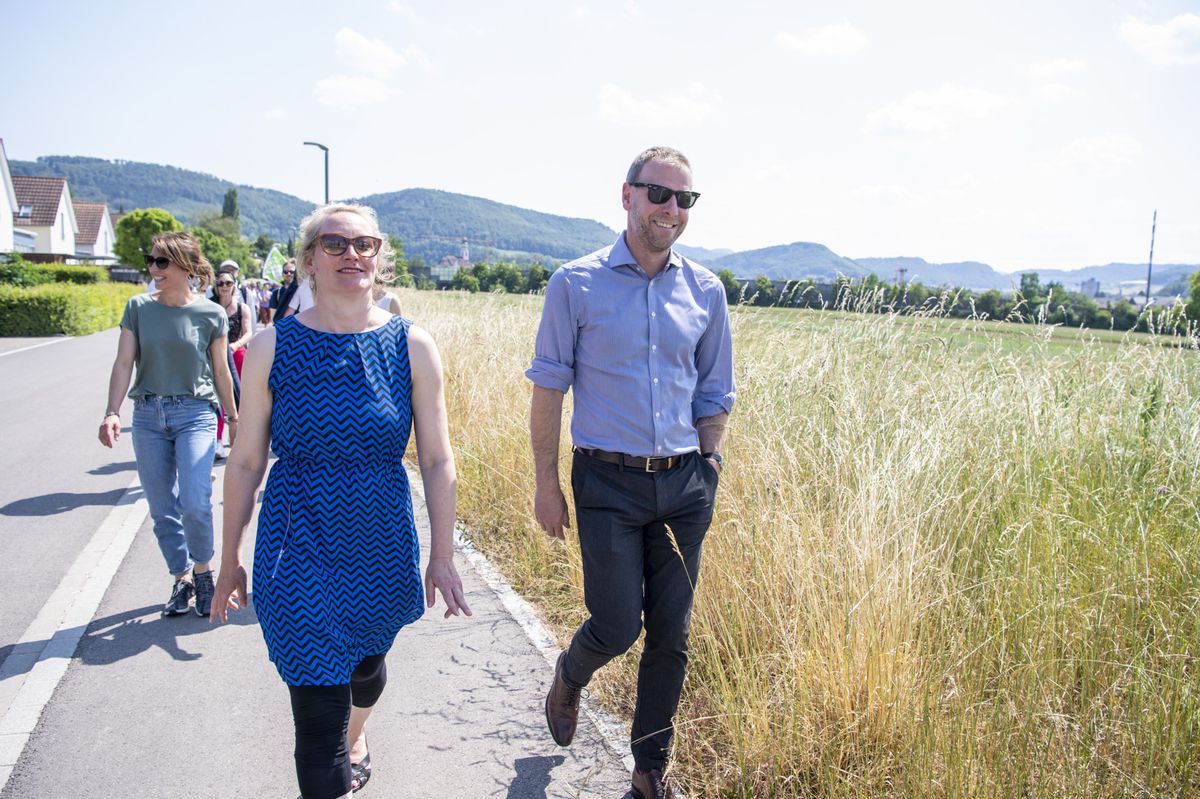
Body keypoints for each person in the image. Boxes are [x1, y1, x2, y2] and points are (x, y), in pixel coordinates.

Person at [211, 202, 471, 799]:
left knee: (365, 671)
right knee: (317, 718)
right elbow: (247, 461)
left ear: (379, 257)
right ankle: (338, 748)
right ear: (308, 260)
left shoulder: (413, 345)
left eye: (365, 244)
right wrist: (230, 558)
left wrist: (442, 554)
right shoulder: (275, 347)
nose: (352, 255)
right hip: (295, 541)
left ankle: (359, 732)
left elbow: (435, 458)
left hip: (381, 539)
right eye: (335, 244)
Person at [526, 146, 735, 799]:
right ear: (627, 196)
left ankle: (649, 771)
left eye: (685, 199)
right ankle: (569, 674)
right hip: (606, 484)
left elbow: (715, 390)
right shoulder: (575, 283)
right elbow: (548, 390)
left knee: (671, 636)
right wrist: (545, 482)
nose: (672, 209)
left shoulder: (705, 290)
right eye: (660, 194)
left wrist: (710, 462)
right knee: (617, 623)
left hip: (683, 486)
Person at [99, 231, 239, 617]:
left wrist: (233, 417)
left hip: (194, 413)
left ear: (186, 267)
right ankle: (181, 579)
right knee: (162, 509)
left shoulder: (210, 314)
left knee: (195, 502)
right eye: (152, 260)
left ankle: (204, 570)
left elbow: (221, 371)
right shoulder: (138, 307)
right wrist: (112, 412)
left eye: (162, 261)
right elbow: (124, 362)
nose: (153, 268)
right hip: (147, 416)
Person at [212, 268, 252, 458]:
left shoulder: (242, 308)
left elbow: (249, 333)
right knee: (217, 400)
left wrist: (235, 345)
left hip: (237, 356)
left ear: (234, 286)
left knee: (240, 399)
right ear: (216, 287)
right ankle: (218, 442)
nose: (225, 287)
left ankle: (237, 443)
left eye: (228, 283)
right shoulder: (210, 307)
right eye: (221, 283)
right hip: (214, 357)